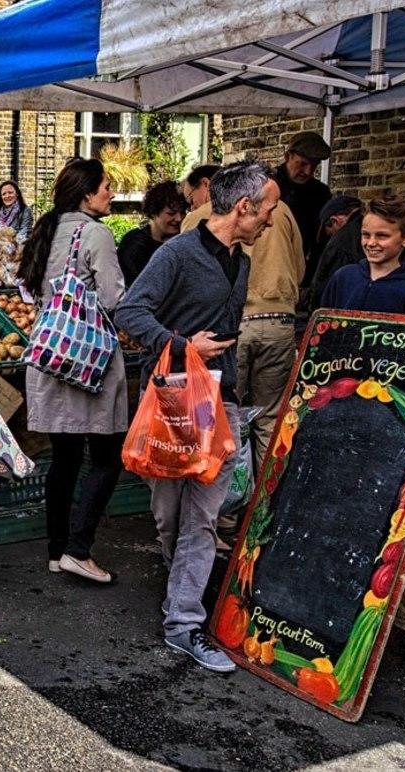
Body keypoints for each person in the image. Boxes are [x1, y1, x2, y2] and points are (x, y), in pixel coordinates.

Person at [117, 160, 278, 674]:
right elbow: (129, 312)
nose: (272, 221)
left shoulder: (243, 261)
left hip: (220, 399)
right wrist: (184, 345)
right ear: (244, 207)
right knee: (169, 513)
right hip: (173, 401)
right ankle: (182, 577)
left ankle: (184, 622)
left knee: (203, 515)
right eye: (268, 210)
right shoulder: (177, 254)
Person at [18, 158, 129, 584]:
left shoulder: (47, 229)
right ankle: (79, 550)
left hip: (52, 356)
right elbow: (114, 297)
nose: (111, 194)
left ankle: (56, 550)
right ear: (86, 192)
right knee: (106, 456)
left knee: (64, 459)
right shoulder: (96, 233)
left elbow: (30, 288)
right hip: (89, 360)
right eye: (106, 187)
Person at [182, 172, 303, 458]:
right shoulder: (283, 210)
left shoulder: (199, 219)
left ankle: (224, 498)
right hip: (278, 320)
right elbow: (299, 268)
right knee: (270, 418)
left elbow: (188, 282)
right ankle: (264, 498)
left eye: (191, 196)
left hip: (228, 329)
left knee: (218, 415)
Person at [320, 195, 405, 316]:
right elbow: (322, 324)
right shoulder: (343, 277)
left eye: (382, 236)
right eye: (366, 235)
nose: (371, 243)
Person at [117, 180, 187, 288]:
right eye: (171, 213)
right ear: (154, 212)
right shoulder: (134, 243)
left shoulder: (184, 241)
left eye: (182, 212)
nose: (179, 218)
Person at [275, 131, 333, 258]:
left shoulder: (320, 193)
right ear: (287, 156)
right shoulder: (268, 184)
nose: (308, 171)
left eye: (314, 166)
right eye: (302, 164)